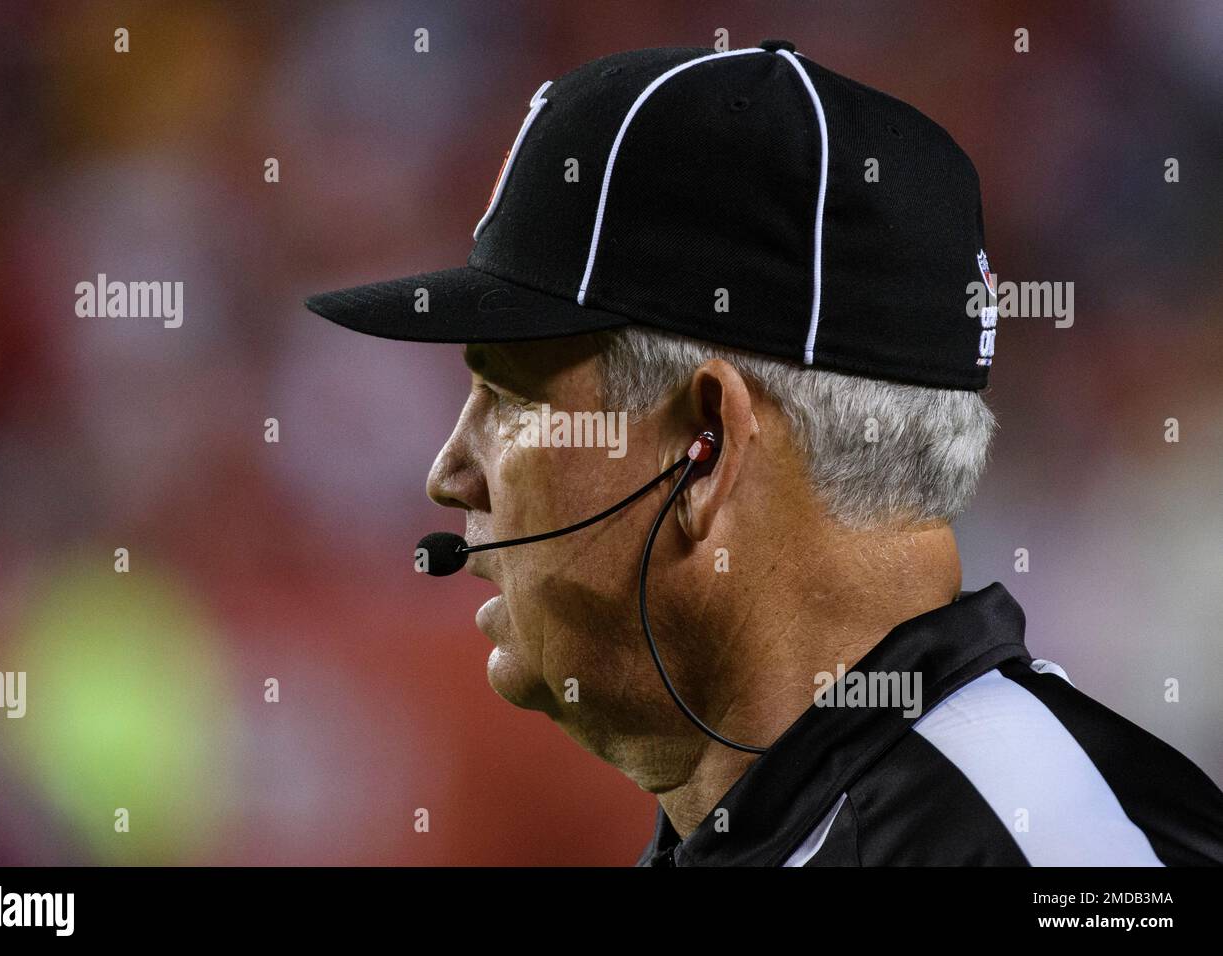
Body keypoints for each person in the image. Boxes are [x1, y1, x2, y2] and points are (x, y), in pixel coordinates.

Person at [306, 42, 1223, 865]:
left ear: (705, 450)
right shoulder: (816, 821)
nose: (448, 472)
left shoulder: (1060, 852)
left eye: (508, 396)